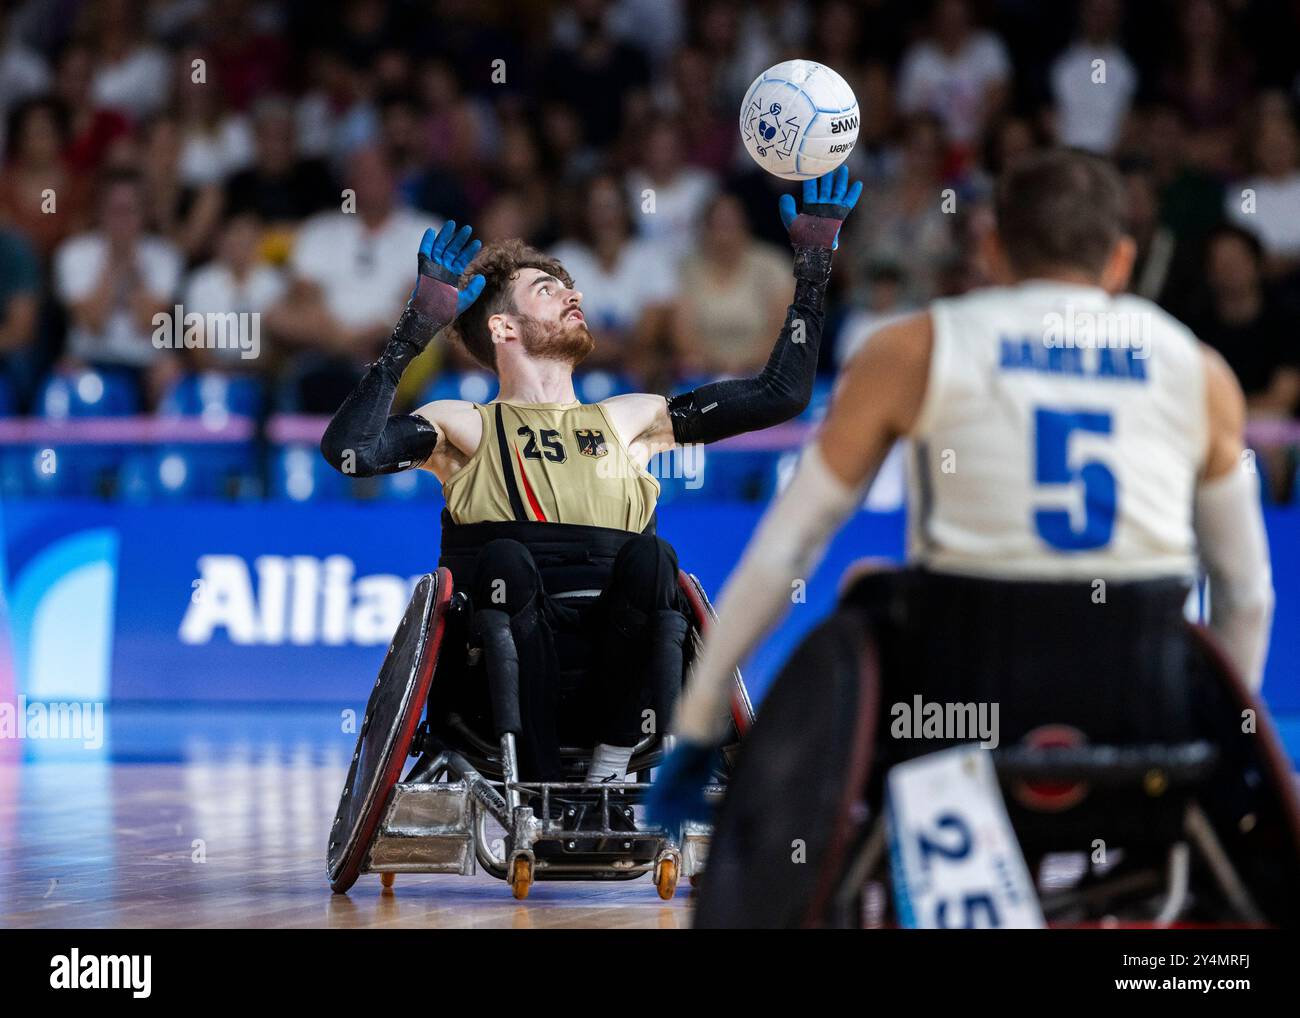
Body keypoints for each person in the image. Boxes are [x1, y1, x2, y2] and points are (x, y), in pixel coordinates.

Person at [649, 149, 1274, 830]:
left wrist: (703, 717)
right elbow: (1246, 596)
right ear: (1121, 261)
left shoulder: (911, 350)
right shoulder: (1201, 370)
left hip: (958, 706)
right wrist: (1224, 745)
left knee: (867, 584)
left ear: (995, 251)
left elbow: (786, 550)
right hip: (1144, 704)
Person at [319, 167, 862, 788]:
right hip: (503, 666)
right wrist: (415, 329)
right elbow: (350, 452)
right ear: (503, 327)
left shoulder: (632, 418)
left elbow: (781, 394)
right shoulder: (465, 423)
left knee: (656, 560)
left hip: (619, 663)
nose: (571, 294)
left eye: (569, 286)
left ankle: (614, 762)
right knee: (505, 562)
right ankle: (541, 782)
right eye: (548, 289)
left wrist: (814, 265)